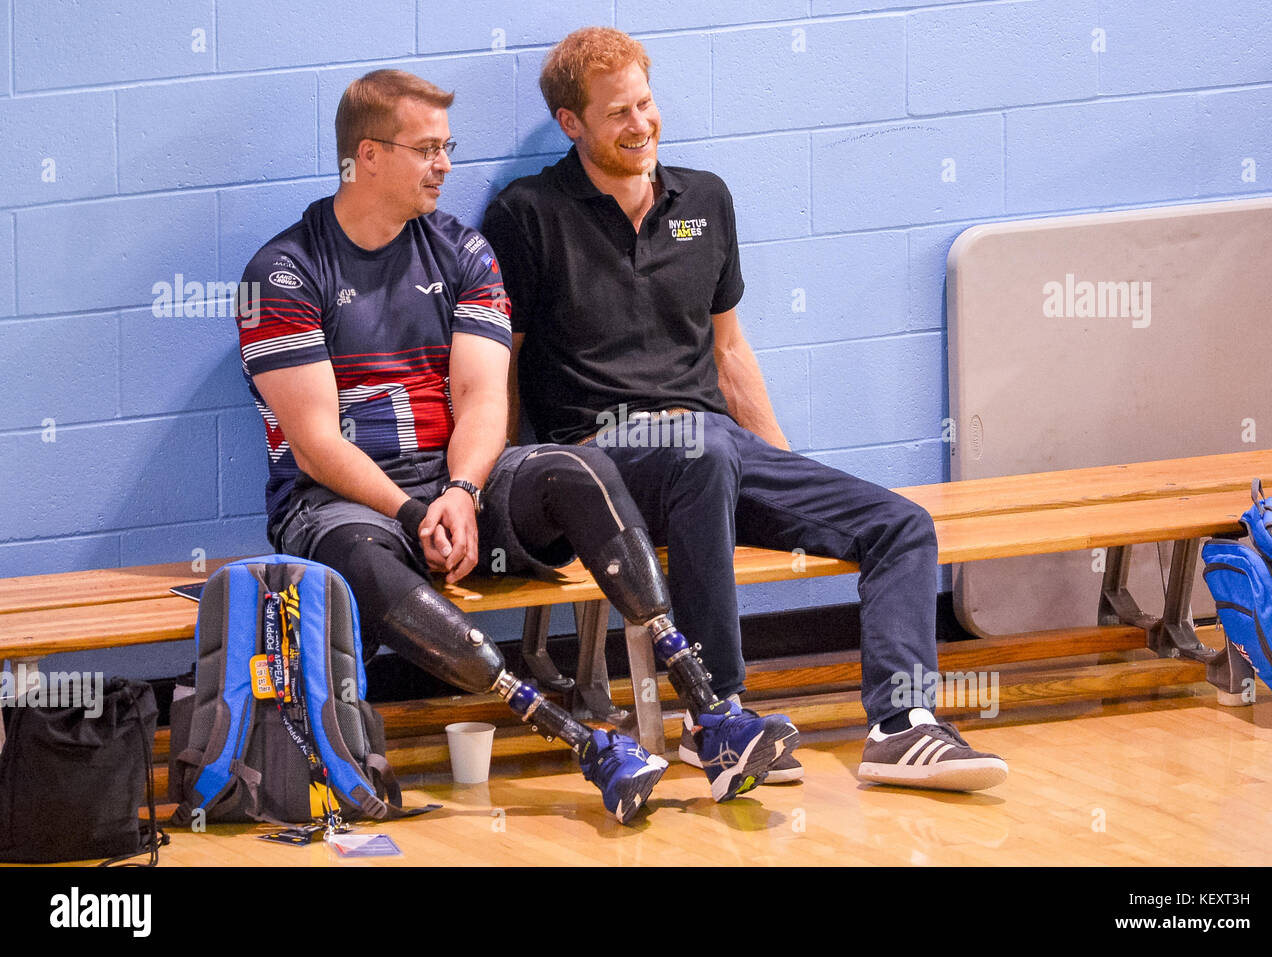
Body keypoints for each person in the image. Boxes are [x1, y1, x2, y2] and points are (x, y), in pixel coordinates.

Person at [235, 69, 799, 825]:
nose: (445, 165)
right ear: (367, 156)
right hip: (343, 506)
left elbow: (481, 398)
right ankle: (587, 744)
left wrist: (461, 494)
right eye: (426, 149)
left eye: (448, 146)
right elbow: (313, 445)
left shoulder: (464, 250)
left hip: (455, 487)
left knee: (578, 468)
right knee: (355, 557)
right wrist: (414, 511)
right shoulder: (283, 271)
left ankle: (710, 713)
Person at [481, 28, 1008, 791]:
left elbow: (729, 354)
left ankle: (903, 725)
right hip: (606, 462)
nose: (642, 124)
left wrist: (788, 470)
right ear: (572, 125)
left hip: (714, 452)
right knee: (704, 448)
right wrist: (498, 485)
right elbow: (500, 366)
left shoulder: (706, 199)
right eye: (617, 114)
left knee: (900, 524)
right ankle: (716, 716)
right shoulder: (526, 214)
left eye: (646, 103)